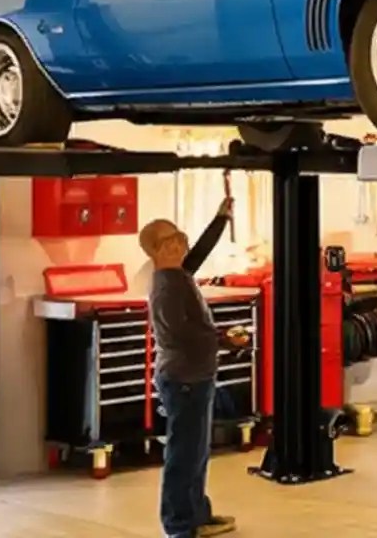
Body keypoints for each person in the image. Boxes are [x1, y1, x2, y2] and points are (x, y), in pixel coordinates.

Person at [139, 198, 242, 538]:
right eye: (172, 241)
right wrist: (225, 339)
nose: (181, 244)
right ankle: (179, 525)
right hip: (183, 380)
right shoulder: (166, 287)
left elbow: (198, 253)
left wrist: (220, 218)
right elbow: (181, 334)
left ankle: (197, 514)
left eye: (181, 237)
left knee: (197, 453)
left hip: (196, 377)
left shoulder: (178, 274)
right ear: (157, 250)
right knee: (183, 456)